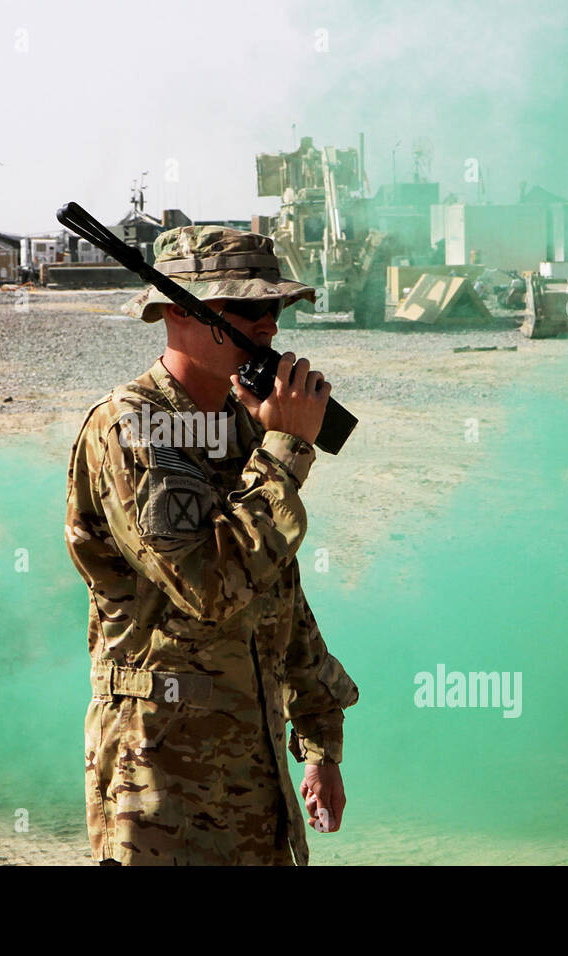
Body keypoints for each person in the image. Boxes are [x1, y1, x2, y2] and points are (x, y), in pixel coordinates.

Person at [64, 225, 359, 866]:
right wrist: (285, 451)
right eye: (245, 308)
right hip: (161, 779)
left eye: (273, 308)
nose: (268, 326)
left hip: (252, 767)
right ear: (178, 311)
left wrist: (318, 740)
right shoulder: (136, 428)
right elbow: (209, 587)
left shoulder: (240, 420)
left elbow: (277, 591)